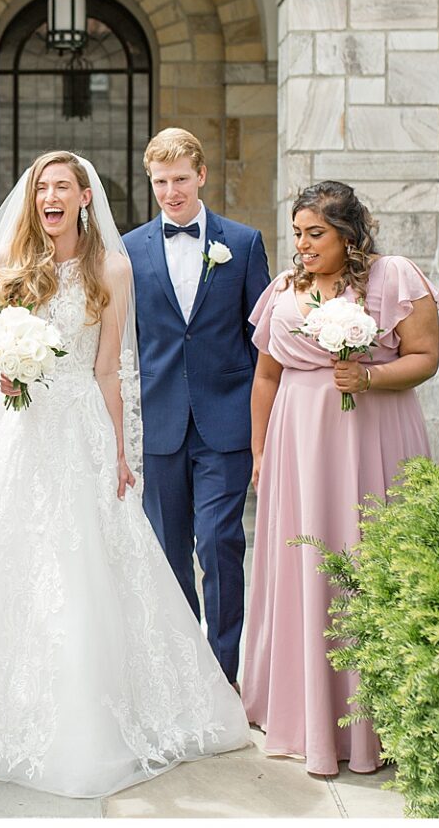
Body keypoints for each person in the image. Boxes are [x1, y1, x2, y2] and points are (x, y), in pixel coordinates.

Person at [0, 150, 251, 798]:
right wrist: (5, 375)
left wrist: (123, 451)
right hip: (19, 431)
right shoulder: (13, 266)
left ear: (83, 198)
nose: (51, 196)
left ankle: (98, 714)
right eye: (42, 187)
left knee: (86, 565)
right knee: (4, 562)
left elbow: (112, 369)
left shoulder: (111, 267)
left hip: (80, 429)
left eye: (62, 186)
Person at [240, 180, 439, 775]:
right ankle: (302, 713)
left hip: (374, 439)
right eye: (298, 233)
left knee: (366, 564)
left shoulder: (395, 277)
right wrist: (259, 452)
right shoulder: (284, 288)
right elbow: (266, 378)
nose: (302, 245)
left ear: (348, 235)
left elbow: (425, 358)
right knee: (305, 567)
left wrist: (370, 380)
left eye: (315, 234)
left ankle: (375, 723)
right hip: (297, 450)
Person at [122, 127, 269, 686]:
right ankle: (186, 678)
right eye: (161, 182)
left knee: (219, 541)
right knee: (167, 552)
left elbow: (263, 338)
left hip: (225, 420)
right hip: (159, 422)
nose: (171, 191)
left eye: (180, 179)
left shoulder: (244, 242)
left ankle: (224, 671)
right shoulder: (129, 250)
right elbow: (124, 339)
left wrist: (263, 427)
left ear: (202, 176)